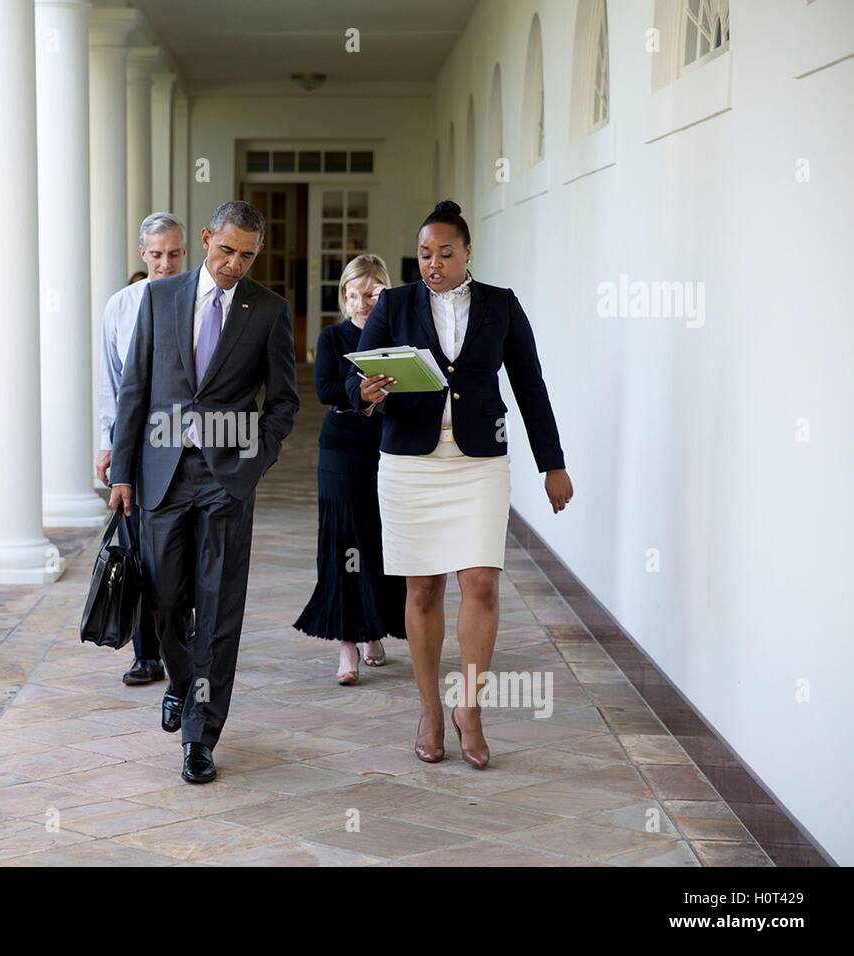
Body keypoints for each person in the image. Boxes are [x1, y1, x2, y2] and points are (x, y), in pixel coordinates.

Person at [349, 200, 574, 770]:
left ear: (467, 252)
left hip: (478, 463)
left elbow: (530, 384)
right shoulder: (394, 304)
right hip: (410, 463)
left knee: (481, 583)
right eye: (424, 254)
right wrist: (368, 394)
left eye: (445, 253)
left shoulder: (501, 305)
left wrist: (553, 463)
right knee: (422, 589)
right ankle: (429, 708)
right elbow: (358, 379)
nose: (433, 263)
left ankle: (469, 709)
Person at [109, 200, 299, 784]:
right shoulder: (160, 300)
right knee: (165, 599)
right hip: (161, 473)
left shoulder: (268, 311)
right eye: (225, 250)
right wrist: (121, 473)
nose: (233, 264)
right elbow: (135, 388)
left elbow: (284, 401)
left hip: (225, 478)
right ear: (205, 239)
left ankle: (200, 733)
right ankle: (184, 681)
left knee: (218, 608)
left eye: (246, 255)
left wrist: (253, 460)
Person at [294, 254, 406, 684]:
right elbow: (323, 390)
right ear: (344, 296)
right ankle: (347, 645)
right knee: (344, 548)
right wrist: (358, 391)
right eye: (355, 294)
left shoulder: (398, 338)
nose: (363, 303)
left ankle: (373, 631)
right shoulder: (332, 338)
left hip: (388, 449)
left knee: (380, 544)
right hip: (341, 454)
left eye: (373, 294)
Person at [96, 211, 187, 685]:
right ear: (142, 254)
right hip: (133, 446)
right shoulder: (121, 305)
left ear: (185, 251)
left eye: (173, 254)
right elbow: (110, 383)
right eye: (156, 255)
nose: (165, 263)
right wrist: (108, 445)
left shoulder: (197, 302)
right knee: (136, 552)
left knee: (176, 553)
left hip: (181, 446)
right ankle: (145, 654)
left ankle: (181, 652)